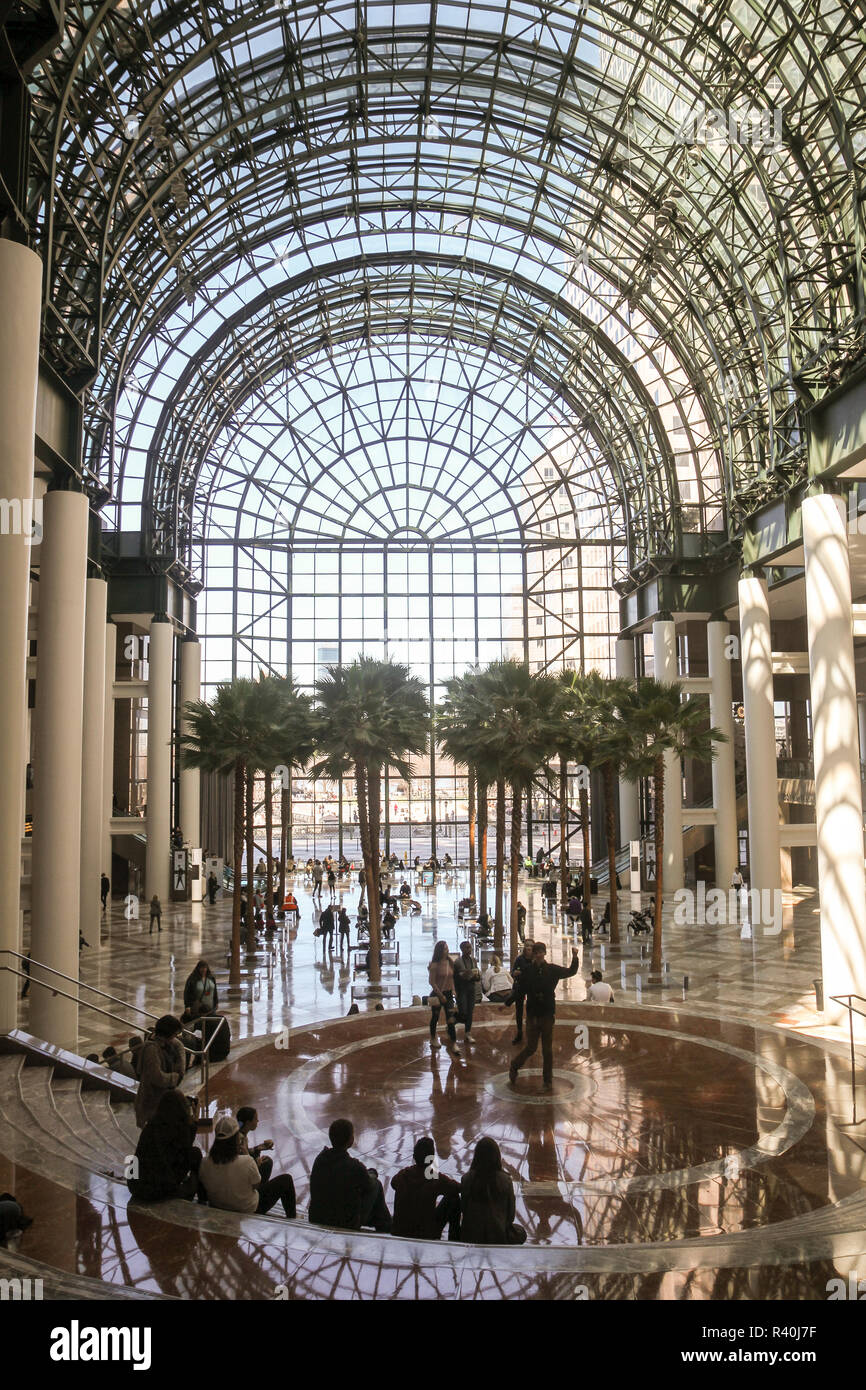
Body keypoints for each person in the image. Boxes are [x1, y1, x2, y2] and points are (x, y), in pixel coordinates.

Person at [508, 942, 580, 1091]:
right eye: (537, 952)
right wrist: (507, 1003)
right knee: (531, 1047)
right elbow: (520, 991)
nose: (540, 954)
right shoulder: (527, 971)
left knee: (547, 1050)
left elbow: (571, 972)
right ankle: (514, 1065)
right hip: (533, 1014)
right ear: (534, 954)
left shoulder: (552, 969)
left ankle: (547, 1080)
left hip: (547, 1014)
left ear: (545, 953)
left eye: (542, 952)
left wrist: (575, 957)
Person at [199, 1116, 296, 1218]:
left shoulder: (204, 1162)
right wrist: (249, 1158)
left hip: (217, 1203)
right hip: (247, 1207)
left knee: (265, 1165)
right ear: (236, 1137)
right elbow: (257, 1184)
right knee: (286, 1179)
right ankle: (292, 1217)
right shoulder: (246, 1160)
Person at [308, 1118, 391, 1232]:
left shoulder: (320, 1159)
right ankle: (385, 1223)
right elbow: (369, 1185)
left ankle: (382, 1221)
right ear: (351, 1140)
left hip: (317, 1217)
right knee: (376, 1185)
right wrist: (372, 1173)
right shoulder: (354, 1166)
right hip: (344, 1222)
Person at [127, 1089, 202, 1202]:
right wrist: (194, 1121)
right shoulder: (178, 1129)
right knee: (195, 1153)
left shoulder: (151, 1125)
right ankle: (193, 1195)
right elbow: (186, 1150)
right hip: (156, 1190)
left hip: (135, 1184)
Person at [390, 1136, 460, 1240]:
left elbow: (393, 1184)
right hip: (425, 1233)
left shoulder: (403, 1174)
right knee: (454, 1198)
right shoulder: (434, 1177)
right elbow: (457, 1188)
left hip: (399, 1230)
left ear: (414, 1156)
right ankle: (455, 1238)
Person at [459, 1138, 525, 1245]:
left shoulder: (466, 1179)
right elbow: (510, 1216)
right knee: (521, 1232)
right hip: (498, 1236)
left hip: (471, 1235)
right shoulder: (505, 1180)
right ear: (496, 1156)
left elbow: (464, 1208)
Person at [134, 1015, 186, 1128]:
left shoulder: (165, 1044)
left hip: (160, 1100)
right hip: (152, 1102)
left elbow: (179, 1046)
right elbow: (157, 1077)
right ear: (166, 1035)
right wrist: (175, 1077)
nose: (175, 1038)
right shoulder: (151, 1050)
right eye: (174, 1034)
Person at [427, 941, 459, 1054]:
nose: (447, 950)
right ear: (440, 951)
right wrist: (440, 995)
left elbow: (452, 978)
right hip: (438, 994)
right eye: (445, 949)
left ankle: (454, 1042)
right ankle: (433, 1037)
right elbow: (432, 981)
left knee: (451, 1018)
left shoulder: (450, 962)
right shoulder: (434, 965)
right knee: (435, 1017)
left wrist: (454, 990)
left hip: (449, 994)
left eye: (447, 948)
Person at [236, 1106, 275, 1180]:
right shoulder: (240, 1140)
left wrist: (258, 1148)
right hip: (242, 1177)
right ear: (248, 1123)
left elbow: (244, 1153)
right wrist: (256, 1163)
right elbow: (243, 1164)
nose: (258, 1120)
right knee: (267, 1162)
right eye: (255, 1119)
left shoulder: (239, 1133)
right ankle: (260, 1188)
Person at [452, 940, 480, 1039]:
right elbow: (460, 976)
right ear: (462, 949)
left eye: (470, 947)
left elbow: (476, 973)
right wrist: (469, 975)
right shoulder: (458, 962)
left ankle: (468, 1032)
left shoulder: (473, 960)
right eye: (467, 947)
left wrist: (476, 976)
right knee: (463, 1012)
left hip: (471, 989)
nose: (470, 949)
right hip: (462, 990)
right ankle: (452, 1022)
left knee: (470, 1011)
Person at [510, 938, 535, 1044]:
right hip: (520, 987)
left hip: (532, 987)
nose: (528, 947)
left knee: (531, 1010)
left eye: (530, 945)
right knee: (519, 1010)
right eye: (526, 945)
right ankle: (519, 1032)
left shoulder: (536, 959)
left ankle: (531, 1032)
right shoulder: (519, 959)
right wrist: (515, 973)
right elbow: (512, 972)